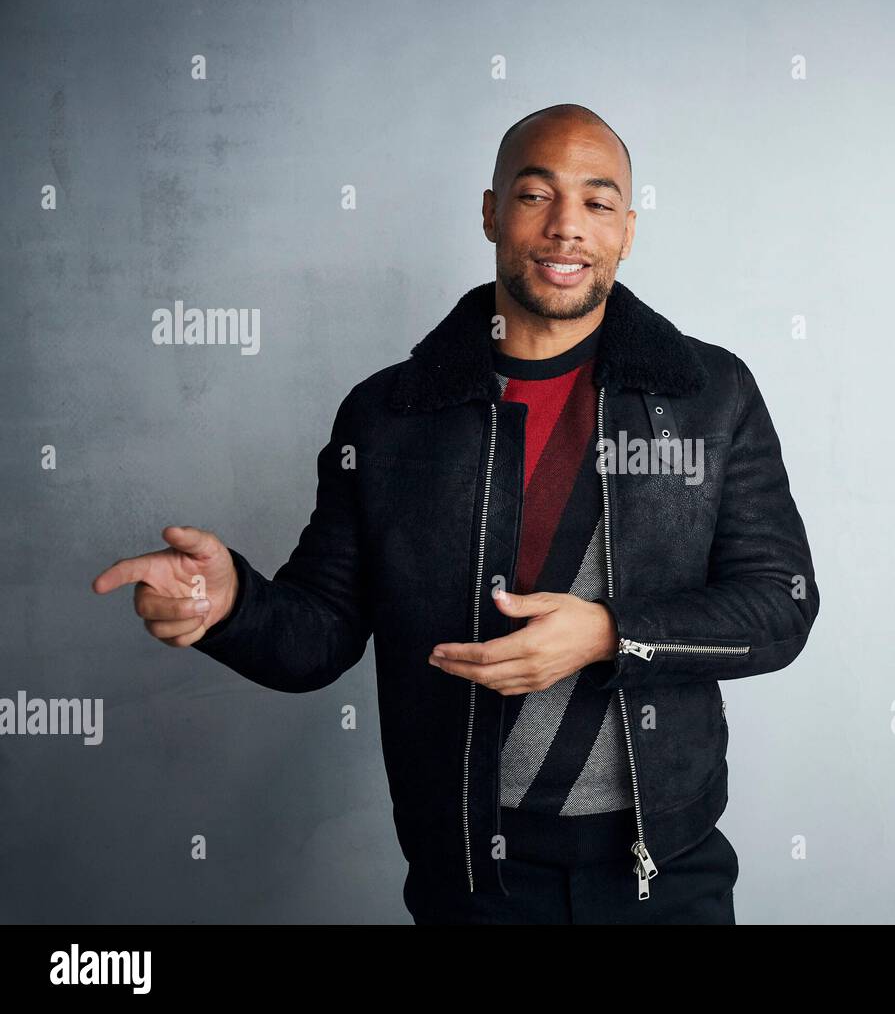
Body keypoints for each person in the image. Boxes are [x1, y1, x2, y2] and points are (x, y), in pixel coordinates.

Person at [92, 103, 819, 924]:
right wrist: (229, 605)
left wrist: (609, 632)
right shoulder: (389, 415)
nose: (567, 228)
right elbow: (318, 633)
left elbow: (780, 606)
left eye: (598, 202)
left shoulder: (710, 394)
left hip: (665, 867)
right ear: (491, 213)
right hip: (474, 876)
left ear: (627, 230)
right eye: (536, 196)